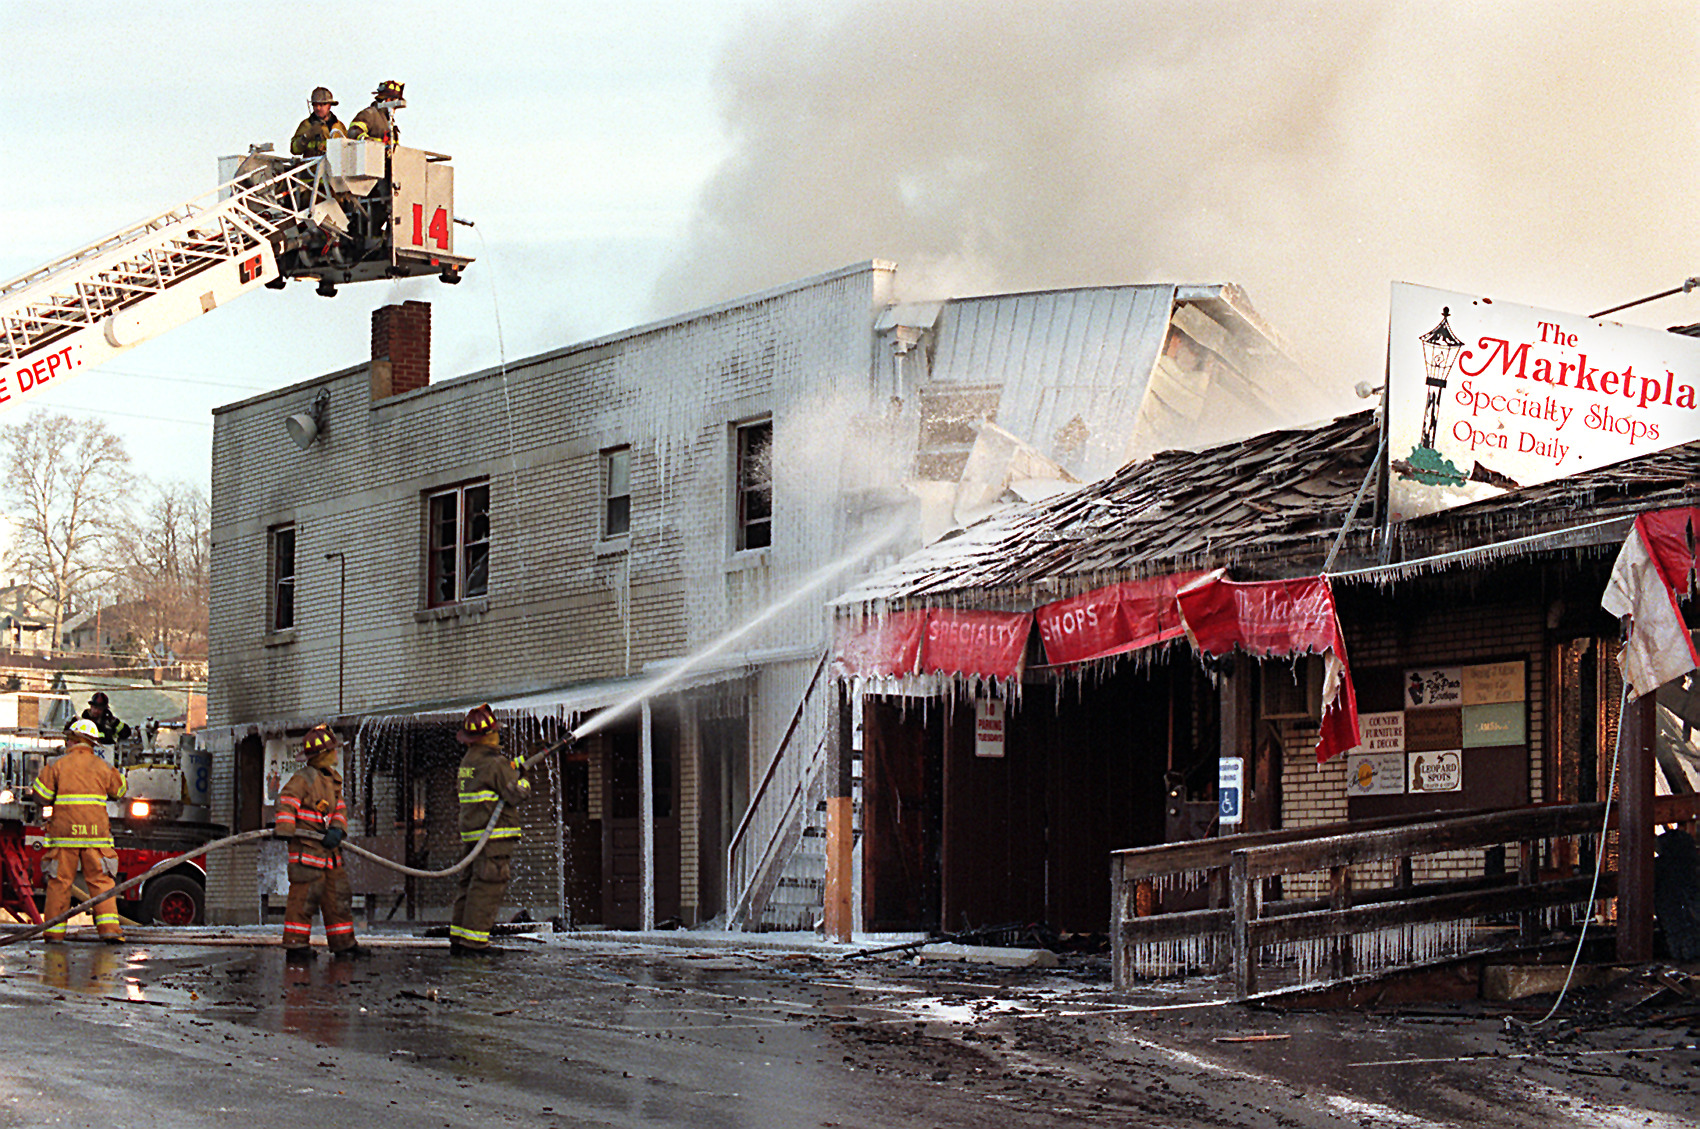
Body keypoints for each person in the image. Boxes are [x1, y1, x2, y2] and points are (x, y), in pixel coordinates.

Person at [32, 719, 129, 943]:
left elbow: (41, 796)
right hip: (96, 835)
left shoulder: (57, 764)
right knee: (101, 881)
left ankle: (54, 934)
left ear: (72, 740)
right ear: (93, 743)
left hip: (64, 835)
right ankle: (110, 931)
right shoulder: (102, 766)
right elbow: (120, 790)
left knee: (60, 882)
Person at [273, 724, 362, 961]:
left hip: (330, 854)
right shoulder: (303, 778)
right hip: (307, 853)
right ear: (323, 754)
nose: (336, 754)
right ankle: (296, 946)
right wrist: (285, 828)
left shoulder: (333, 780)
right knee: (303, 900)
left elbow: (340, 809)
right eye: (332, 750)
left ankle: (344, 944)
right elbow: (286, 802)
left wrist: (338, 828)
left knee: (338, 899)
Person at [449, 704, 531, 956]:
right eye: (496, 732)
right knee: (488, 887)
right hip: (494, 837)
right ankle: (475, 943)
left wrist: (512, 766)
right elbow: (515, 793)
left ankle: (460, 938)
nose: (499, 736)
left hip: (474, 835)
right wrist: (524, 779)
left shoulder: (470, 761)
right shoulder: (494, 763)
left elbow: (494, 779)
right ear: (487, 735)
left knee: (470, 886)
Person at [290, 86, 346, 157]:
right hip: (313, 167)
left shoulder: (339, 127)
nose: (318, 108)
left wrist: (326, 148)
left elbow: (347, 149)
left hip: (334, 167)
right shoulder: (306, 125)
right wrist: (307, 136)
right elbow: (294, 150)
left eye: (322, 105)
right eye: (315, 105)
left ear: (329, 106)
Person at [348, 80, 405, 145]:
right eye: (395, 106)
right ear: (388, 100)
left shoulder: (389, 124)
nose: (395, 109)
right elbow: (353, 131)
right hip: (369, 154)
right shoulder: (370, 114)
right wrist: (371, 144)